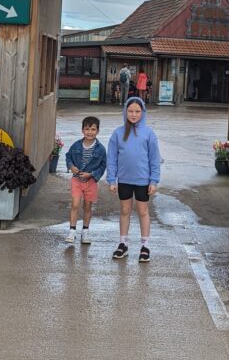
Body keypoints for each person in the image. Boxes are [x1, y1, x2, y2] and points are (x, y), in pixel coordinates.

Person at [106, 97, 161, 263]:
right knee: (124, 211)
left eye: (137, 111)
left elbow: (154, 158)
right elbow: (112, 158)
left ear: (143, 112)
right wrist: (111, 179)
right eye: (130, 111)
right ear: (125, 112)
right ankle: (123, 243)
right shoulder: (117, 133)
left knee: (143, 212)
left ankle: (145, 246)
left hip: (143, 180)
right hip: (124, 180)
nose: (134, 114)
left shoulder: (149, 133)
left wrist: (154, 180)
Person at [63, 116, 107, 244]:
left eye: (93, 129)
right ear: (82, 130)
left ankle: (85, 231)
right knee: (75, 204)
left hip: (91, 181)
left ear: (97, 131)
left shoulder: (101, 149)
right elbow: (68, 156)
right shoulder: (76, 145)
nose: (90, 132)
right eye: (87, 129)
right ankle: (72, 231)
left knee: (87, 206)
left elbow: (103, 165)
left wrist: (92, 174)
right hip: (77, 180)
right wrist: (71, 166)